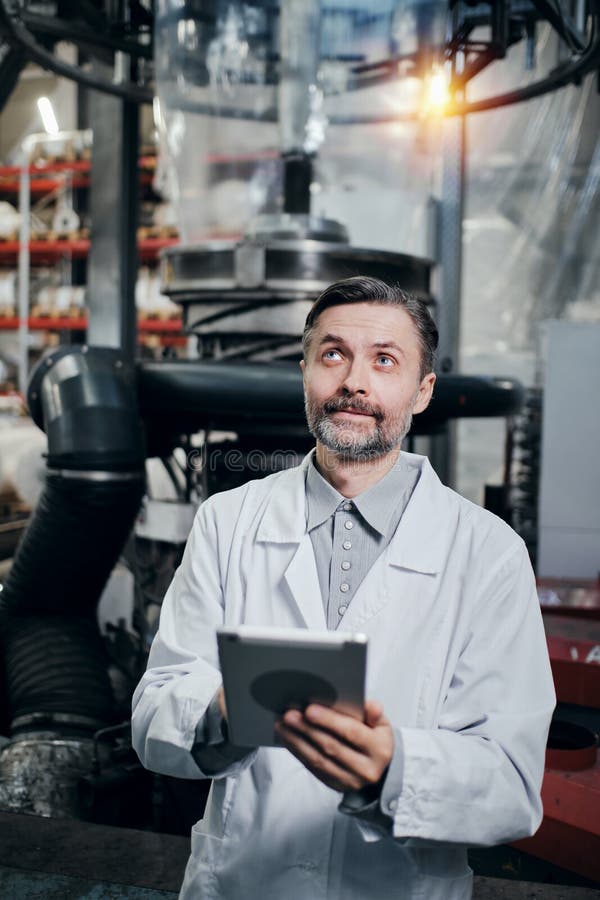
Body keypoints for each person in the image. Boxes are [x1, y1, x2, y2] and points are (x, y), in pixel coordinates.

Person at [132, 276, 555, 900]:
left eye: (384, 360)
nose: (354, 381)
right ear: (305, 373)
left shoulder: (489, 554)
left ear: (422, 391)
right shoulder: (227, 521)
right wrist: (220, 712)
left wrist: (394, 769)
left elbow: (512, 785)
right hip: (244, 884)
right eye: (333, 354)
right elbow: (153, 712)